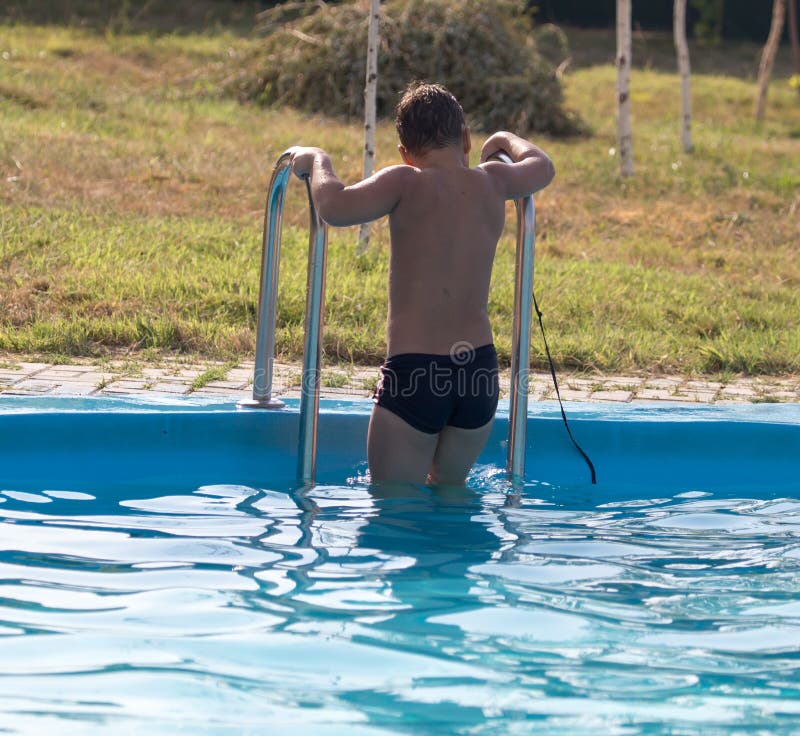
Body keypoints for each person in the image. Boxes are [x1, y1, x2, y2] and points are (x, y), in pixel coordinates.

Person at [289, 81, 554, 485]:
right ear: (465, 139)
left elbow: (334, 206)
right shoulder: (495, 181)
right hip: (478, 375)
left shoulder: (404, 181)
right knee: (452, 499)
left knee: (394, 506)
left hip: (415, 374)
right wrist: (503, 138)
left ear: (405, 153)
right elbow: (542, 165)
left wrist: (316, 158)